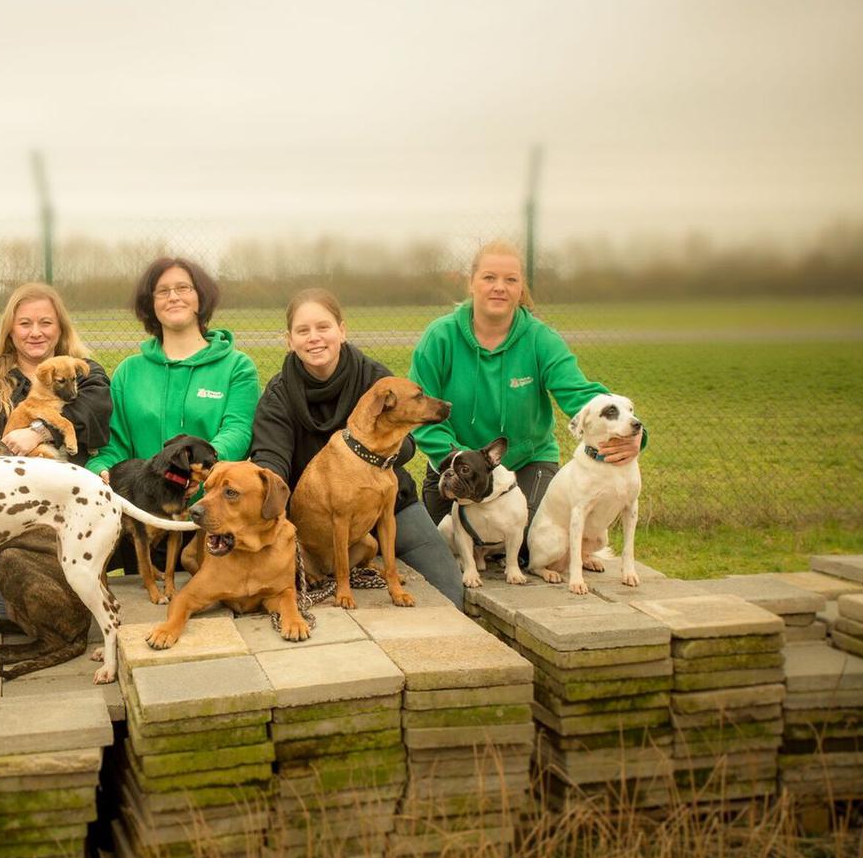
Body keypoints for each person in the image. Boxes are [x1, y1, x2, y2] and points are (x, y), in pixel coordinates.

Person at [250, 288, 467, 607]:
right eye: (303, 330)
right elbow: (271, 457)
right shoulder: (278, 395)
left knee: (448, 585)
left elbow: (407, 445)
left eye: (323, 327)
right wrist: (267, 494)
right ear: (289, 340)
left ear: (342, 330)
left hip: (392, 505)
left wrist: (374, 452)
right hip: (321, 520)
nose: (314, 337)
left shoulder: (376, 379)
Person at [409, 239, 644, 528]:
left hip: (526, 464)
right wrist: (467, 464)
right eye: (489, 277)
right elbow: (419, 413)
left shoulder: (541, 339)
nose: (499, 287)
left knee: (529, 542)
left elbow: (580, 394)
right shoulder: (439, 337)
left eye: (511, 279)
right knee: (445, 544)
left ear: (521, 288)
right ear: (472, 283)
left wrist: (632, 432)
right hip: (458, 466)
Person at [86, 256, 259, 574]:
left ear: (200, 297)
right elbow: (114, 444)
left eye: (183, 288)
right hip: (146, 520)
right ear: (150, 304)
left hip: (211, 521)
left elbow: (238, 430)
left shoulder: (237, 366)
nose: (174, 297)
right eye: (162, 291)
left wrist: (201, 473)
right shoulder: (128, 372)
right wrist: (100, 470)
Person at [0, 283, 113, 617]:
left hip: (72, 518)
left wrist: (38, 432)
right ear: (10, 330)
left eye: (46, 323)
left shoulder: (84, 371)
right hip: (9, 525)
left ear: (60, 328)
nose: (35, 332)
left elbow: (92, 409)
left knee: (81, 614)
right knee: (12, 618)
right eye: (25, 323)